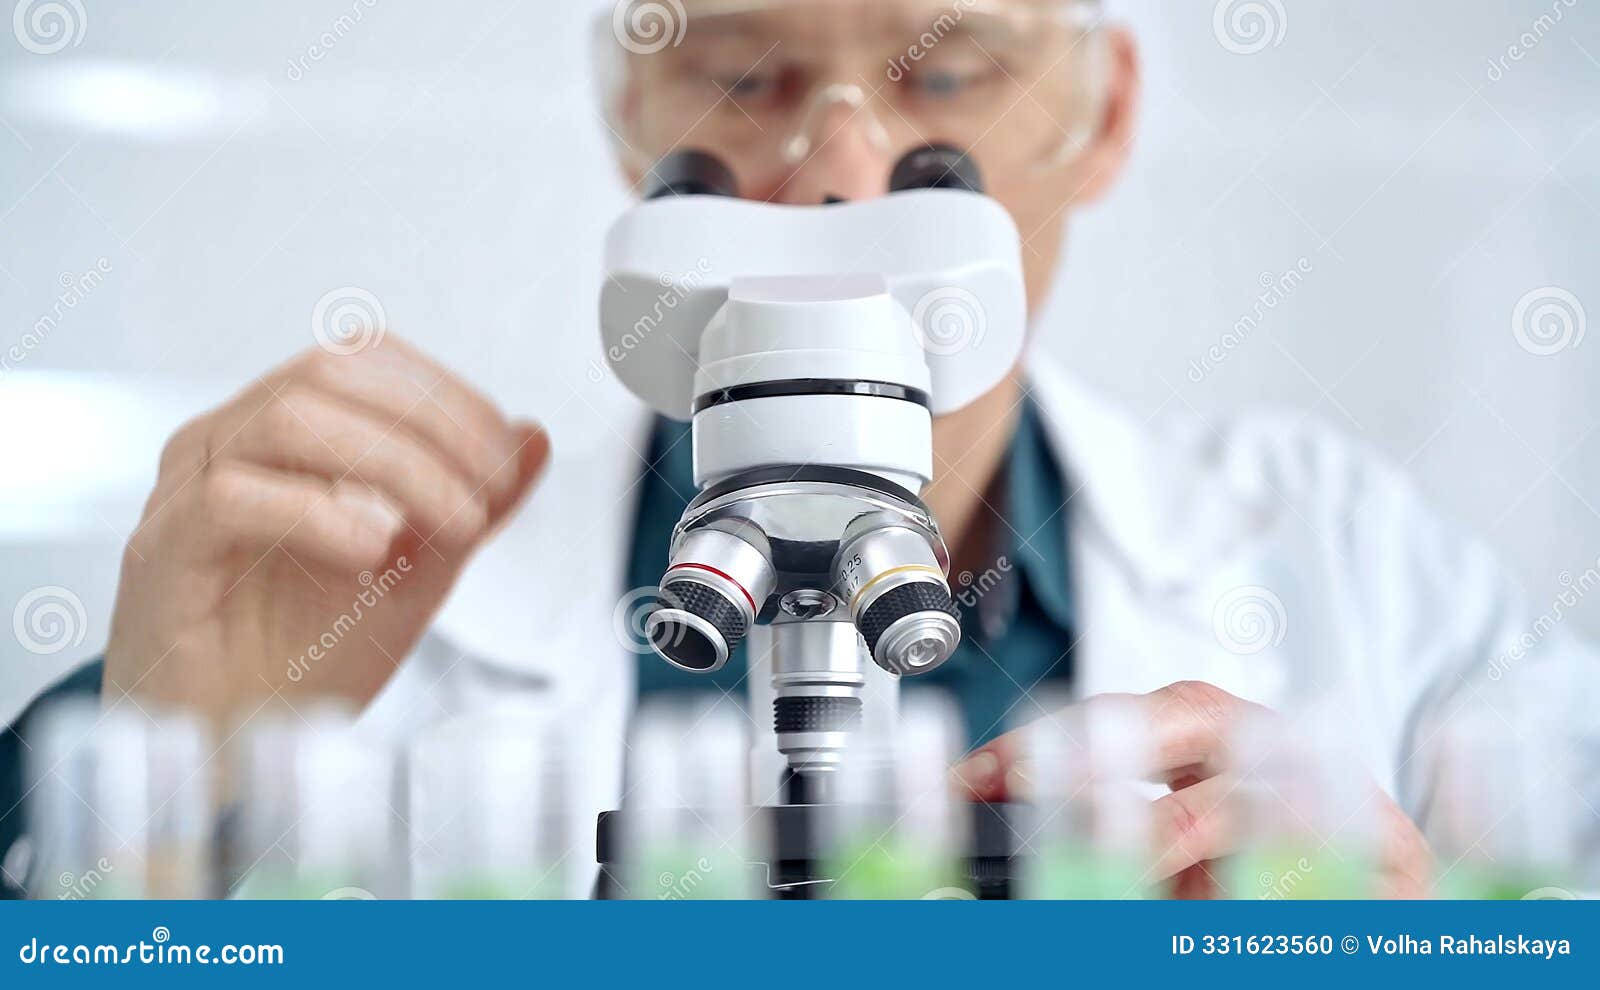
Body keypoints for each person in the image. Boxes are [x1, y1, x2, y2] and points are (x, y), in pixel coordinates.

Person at [1, 0, 1591, 899]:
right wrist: (147, 806)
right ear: (632, 121)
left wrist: (1434, 941)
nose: (838, 176)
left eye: (947, 76)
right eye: (740, 78)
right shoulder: (349, 598)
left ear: (1103, 117)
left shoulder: (1356, 567)